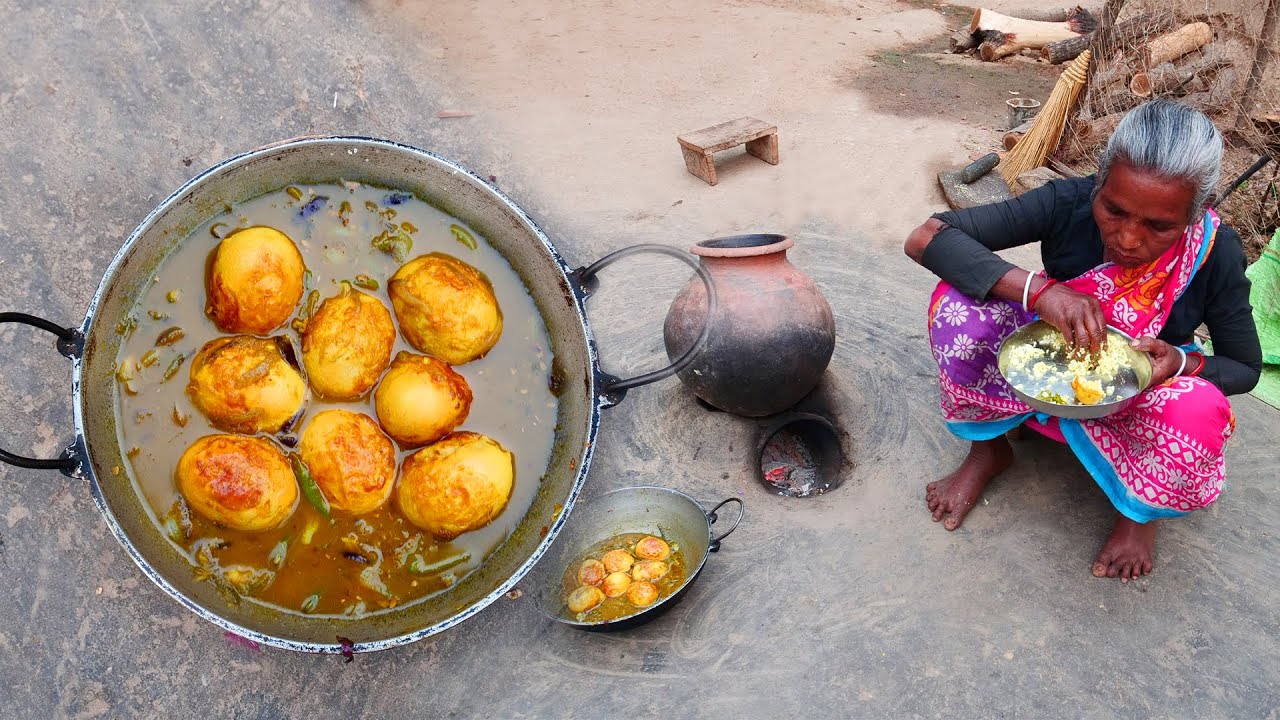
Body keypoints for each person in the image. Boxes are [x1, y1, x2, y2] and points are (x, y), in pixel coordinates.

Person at [903, 99, 1262, 582]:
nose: (1129, 240)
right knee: (959, 306)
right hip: (1047, 359)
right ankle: (988, 448)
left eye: (1158, 226)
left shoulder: (1217, 254)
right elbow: (928, 237)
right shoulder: (1065, 203)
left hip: (1141, 391)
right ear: (1099, 182)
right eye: (1113, 210)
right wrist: (1040, 291)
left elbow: (1244, 367)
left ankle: (1139, 514)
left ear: (1196, 216)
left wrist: (1179, 362)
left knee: (1199, 411)